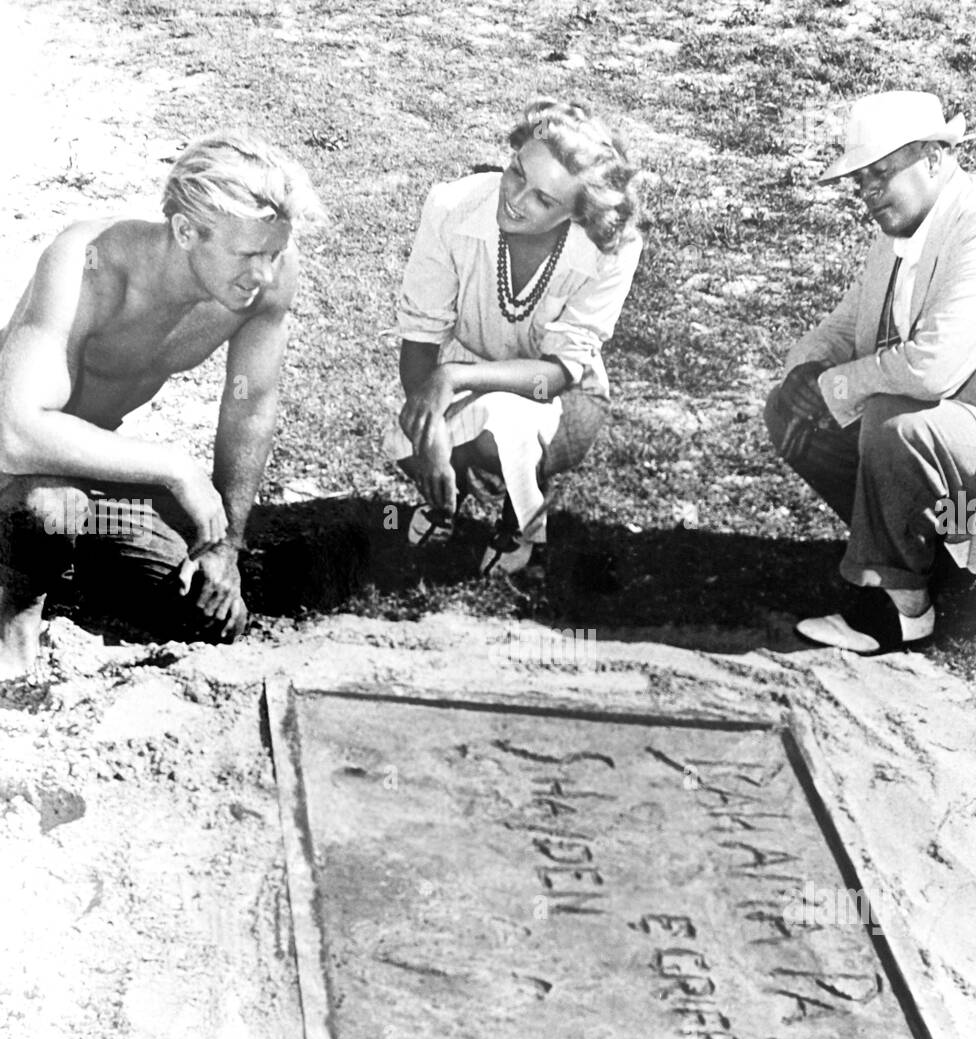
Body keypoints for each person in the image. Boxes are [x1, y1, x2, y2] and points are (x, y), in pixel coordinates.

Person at [765, 90, 976, 655]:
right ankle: (921, 555)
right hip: (962, 470)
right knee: (801, 414)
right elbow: (843, 328)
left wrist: (834, 386)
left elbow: (930, 367)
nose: (867, 192)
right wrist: (805, 374)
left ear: (935, 158)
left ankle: (898, 612)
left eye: (881, 173)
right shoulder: (898, 233)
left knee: (893, 423)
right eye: (859, 179)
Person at [0, 132, 323, 678]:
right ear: (185, 231)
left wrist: (227, 546)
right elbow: (15, 434)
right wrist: (177, 469)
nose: (264, 274)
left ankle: (69, 574)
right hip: (17, 474)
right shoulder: (90, 262)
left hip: (90, 472)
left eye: (274, 253)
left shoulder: (264, 280)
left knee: (208, 617)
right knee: (47, 511)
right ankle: (14, 622)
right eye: (248, 254)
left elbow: (250, 407)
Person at [386, 97, 642, 575]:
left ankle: (522, 519)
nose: (516, 198)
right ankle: (449, 495)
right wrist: (433, 435)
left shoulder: (611, 249)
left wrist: (455, 377)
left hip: (561, 397)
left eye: (544, 199)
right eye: (517, 172)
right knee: (407, 436)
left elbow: (559, 373)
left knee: (496, 426)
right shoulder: (453, 205)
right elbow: (420, 339)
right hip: (461, 376)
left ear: (578, 213)